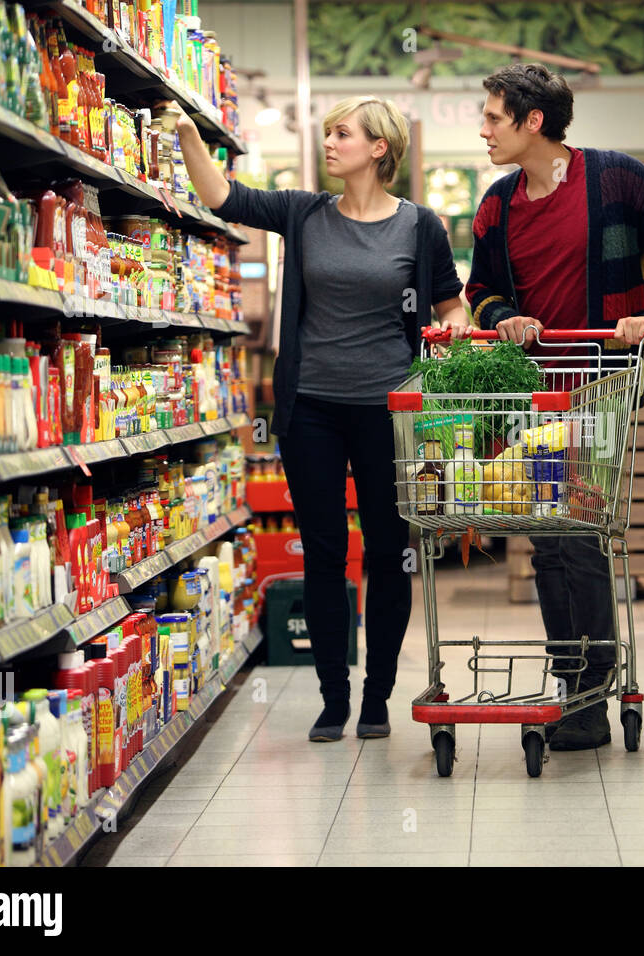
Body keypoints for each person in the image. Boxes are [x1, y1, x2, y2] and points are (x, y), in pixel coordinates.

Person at [167, 96, 468, 742]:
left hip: (393, 411)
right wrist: (191, 135)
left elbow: (452, 306)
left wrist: (453, 351)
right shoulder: (304, 212)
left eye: (342, 134)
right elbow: (224, 197)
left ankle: (378, 695)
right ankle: (334, 694)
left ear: (378, 148)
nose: (329, 144)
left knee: (390, 552)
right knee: (325, 550)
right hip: (311, 410)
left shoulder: (421, 229)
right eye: (328, 133)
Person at [466, 64, 644, 750]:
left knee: (578, 527)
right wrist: (505, 316)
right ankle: (576, 683)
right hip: (529, 388)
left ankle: (588, 690)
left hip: (601, 381)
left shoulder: (618, 180)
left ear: (531, 121)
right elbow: (480, 287)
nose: (483, 130)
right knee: (546, 538)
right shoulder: (497, 204)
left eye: (492, 117)